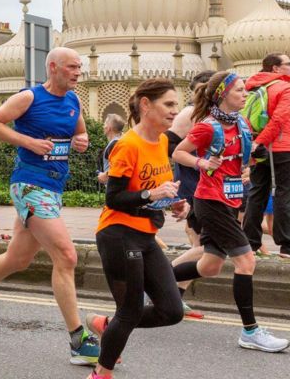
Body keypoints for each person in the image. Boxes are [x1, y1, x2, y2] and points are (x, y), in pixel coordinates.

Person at [0, 47, 100, 366]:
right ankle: (78, 339)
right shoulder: (29, 97)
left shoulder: (73, 101)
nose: (77, 72)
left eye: (80, 67)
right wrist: (28, 142)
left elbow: (80, 131)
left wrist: (81, 140)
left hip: (53, 188)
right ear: (54, 67)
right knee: (66, 256)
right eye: (72, 67)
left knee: (17, 259)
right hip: (30, 184)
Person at [172, 71, 289, 353]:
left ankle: (151, 279)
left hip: (231, 199)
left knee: (209, 266)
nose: (245, 94)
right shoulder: (208, 126)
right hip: (211, 202)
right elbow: (179, 152)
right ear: (223, 94)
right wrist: (202, 163)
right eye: (239, 90)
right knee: (246, 262)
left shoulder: (243, 123)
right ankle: (250, 331)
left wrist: (246, 168)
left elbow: (242, 156)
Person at [82, 79, 186, 379]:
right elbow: (114, 197)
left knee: (172, 311)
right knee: (129, 311)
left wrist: (174, 202)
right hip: (118, 233)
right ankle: (100, 373)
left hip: (145, 234)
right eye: (168, 104)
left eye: (176, 105)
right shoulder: (127, 144)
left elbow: (152, 188)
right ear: (145, 105)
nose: (174, 111)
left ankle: (106, 325)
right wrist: (151, 196)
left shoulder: (164, 141)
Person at [165, 70, 213, 319]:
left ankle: (175, 298)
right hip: (193, 187)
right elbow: (168, 143)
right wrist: (195, 158)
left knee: (200, 247)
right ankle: (158, 283)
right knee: (205, 247)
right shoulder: (190, 113)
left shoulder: (212, 115)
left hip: (207, 188)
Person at [243, 53, 290, 258]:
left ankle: (250, 241)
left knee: (257, 192)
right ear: (275, 69)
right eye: (288, 64)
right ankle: (287, 245)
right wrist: (261, 141)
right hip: (281, 147)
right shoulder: (285, 88)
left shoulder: (253, 87)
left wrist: (254, 143)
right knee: (284, 193)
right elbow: (278, 120)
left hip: (259, 148)